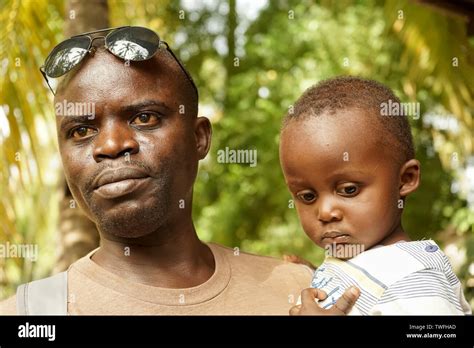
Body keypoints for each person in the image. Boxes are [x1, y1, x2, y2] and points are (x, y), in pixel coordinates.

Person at [0, 27, 358, 315]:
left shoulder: (302, 292)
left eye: (144, 118)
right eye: (81, 131)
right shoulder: (29, 316)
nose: (110, 145)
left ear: (199, 137)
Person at [280, 76, 471, 315]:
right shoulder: (369, 264)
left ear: (406, 179)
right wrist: (317, 273)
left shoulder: (411, 279)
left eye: (349, 189)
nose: (325, 212)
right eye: (307, 196)